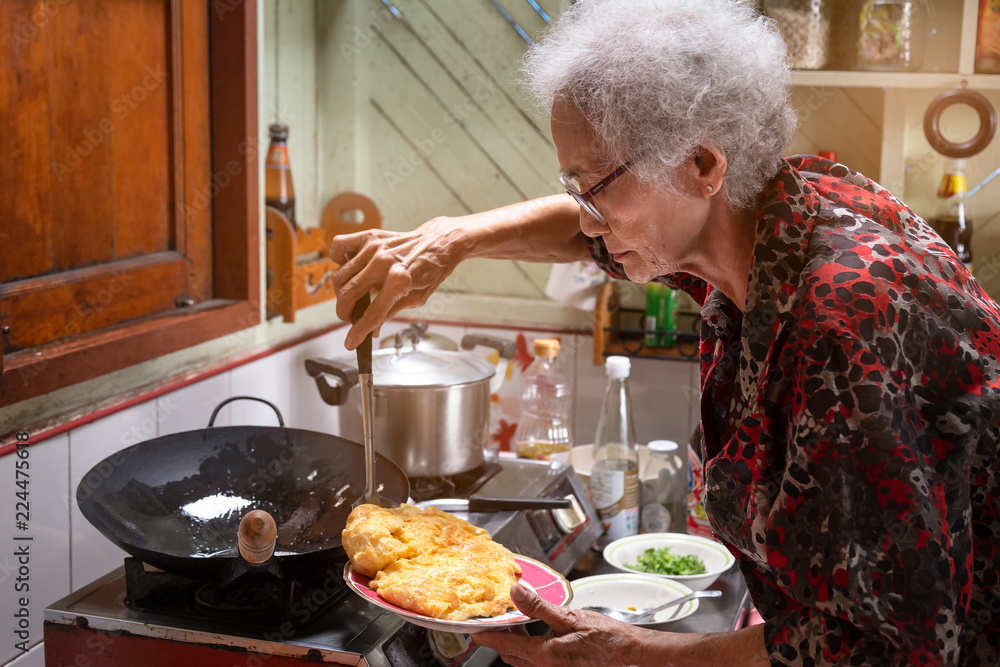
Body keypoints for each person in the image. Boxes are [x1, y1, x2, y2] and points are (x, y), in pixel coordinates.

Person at [330, 0, 1000, 664]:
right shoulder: (766, 218)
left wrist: (636, 652)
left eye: (595, 185)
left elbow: (887, 649)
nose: (588, 217)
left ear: (703, 165)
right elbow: (584, 229)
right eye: (574, 184)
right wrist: (453, 238)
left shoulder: (840, 320)